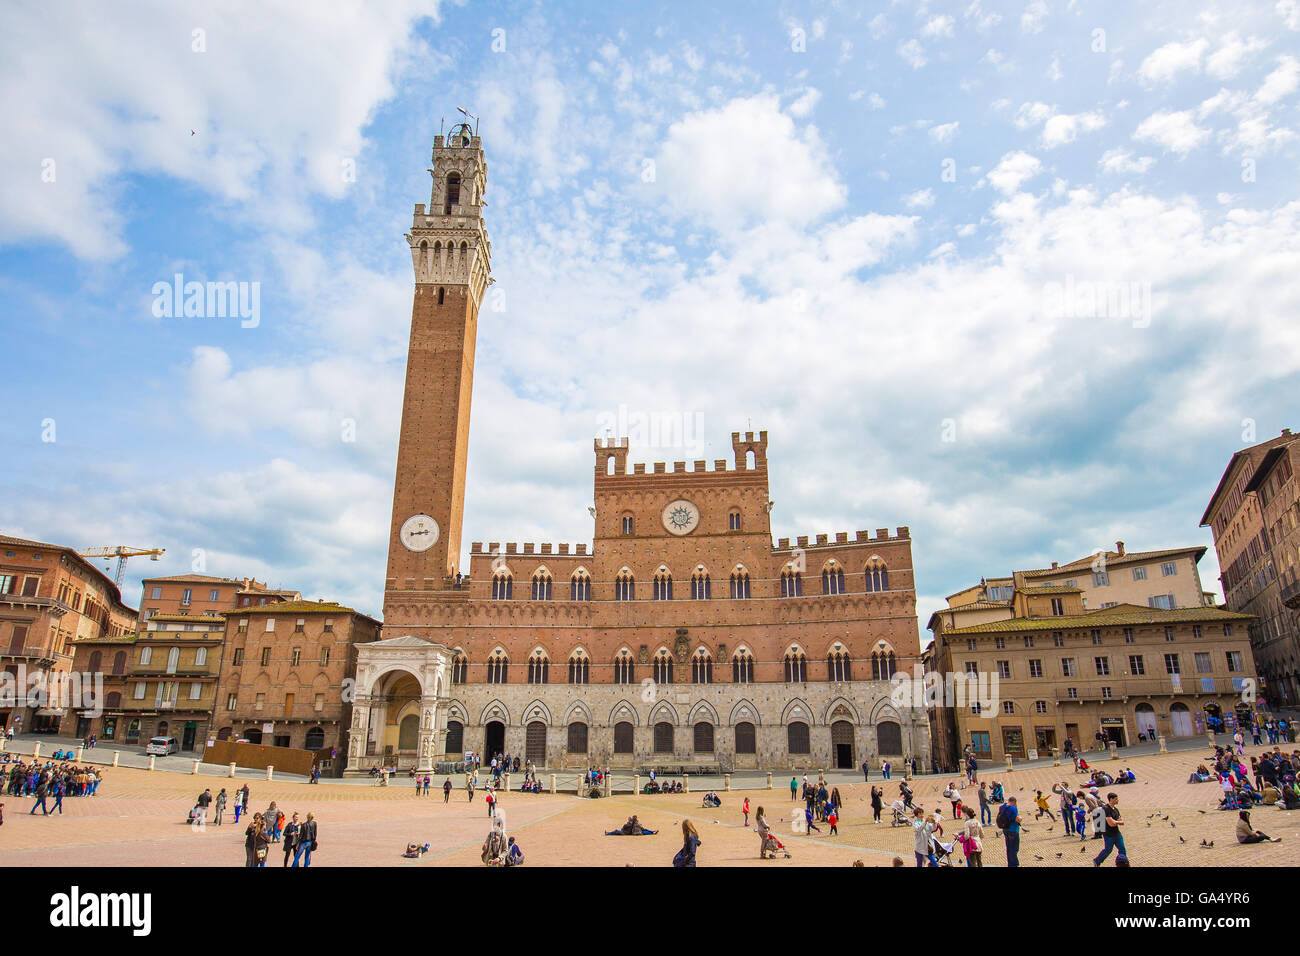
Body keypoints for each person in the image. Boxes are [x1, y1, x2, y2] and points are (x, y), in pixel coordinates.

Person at [1093, 792, 1127, 866]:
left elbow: (1122, 822)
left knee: (1122, 849)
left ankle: (1122, 863)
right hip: (1108, 834)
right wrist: (1117, 822)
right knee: (1108, 850)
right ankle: (1097, 861)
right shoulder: (1106, 809)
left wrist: (1115, 821)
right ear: (1111, 799)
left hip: (1117, 833)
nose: (1117, 800)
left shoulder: (1116, 809)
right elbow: (1111, 824)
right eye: (1116, 799)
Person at [998, 796, 1021, 867]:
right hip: (1013, 830)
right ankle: (1014, 864)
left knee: (1009, 847)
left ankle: (1010, 863)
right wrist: (1020, 817)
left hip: (1005, 829)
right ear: (1014, 802)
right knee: (1014, 848)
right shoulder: (1013, 808)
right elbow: (1017, 819)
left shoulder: (1002, 807)